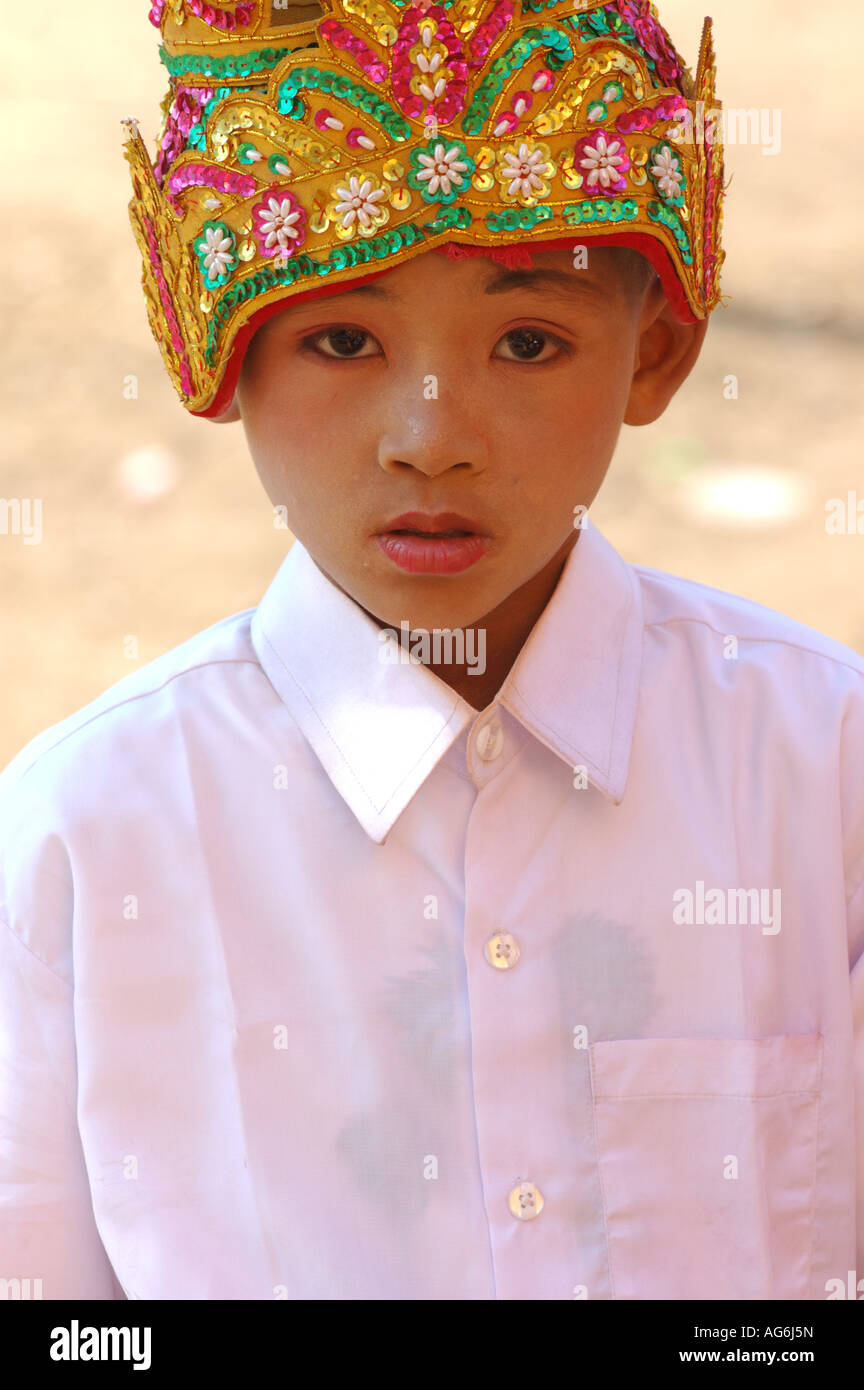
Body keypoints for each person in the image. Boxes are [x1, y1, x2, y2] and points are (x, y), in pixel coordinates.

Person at [0, 0, 861, 1302]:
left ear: (661, 351)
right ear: (214, 350)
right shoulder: (88, 836)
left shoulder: (822, 772)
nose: (431, 436)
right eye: (341, 338)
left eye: (529, 341)